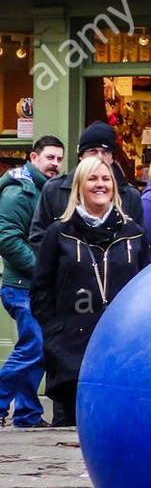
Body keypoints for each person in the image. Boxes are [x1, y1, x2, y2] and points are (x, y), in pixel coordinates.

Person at [30, 156, 149, 426]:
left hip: (121, 345)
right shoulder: (59, 233)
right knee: (71, 431)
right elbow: (41, 290)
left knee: (116, 425)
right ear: (79, 186)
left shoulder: (133, 234)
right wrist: (55, 331)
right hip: (71, 349)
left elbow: (146, 287)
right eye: (93, 179)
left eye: (105, 179)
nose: (100, 184)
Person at [0, 135, 64, 429]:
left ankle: (26, 414)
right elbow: (7, 239)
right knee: (34, 348)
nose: (56, 164)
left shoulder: (45, 190)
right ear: (33, 158)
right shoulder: (20, 193)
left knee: (35, 348)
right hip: (22, 286)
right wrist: (42, 272)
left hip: (34, 286)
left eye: (60, 159)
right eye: (50, 157)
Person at [29, 123, 144, 252]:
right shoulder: (54, 190)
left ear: (112, 158)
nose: (99, 157)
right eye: (93, 151)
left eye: (105, 152)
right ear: (81, 156)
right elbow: (38, 237)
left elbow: (139, 243)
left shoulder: (130, 195)